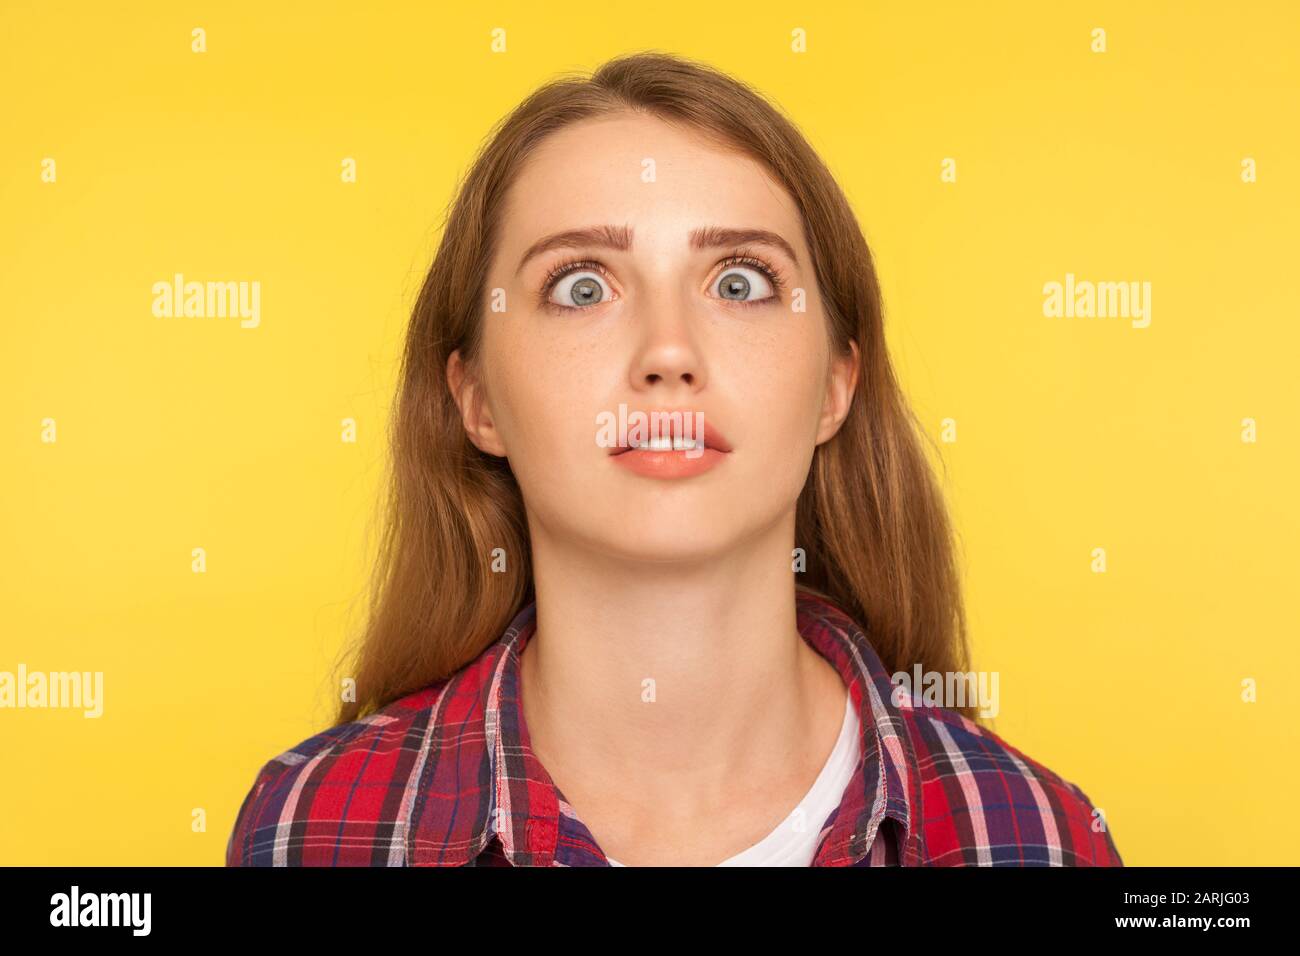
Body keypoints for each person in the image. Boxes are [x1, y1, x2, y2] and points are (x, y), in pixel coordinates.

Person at [226, 51, 1122, 867]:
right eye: (581, 287)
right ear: (477, 399)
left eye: (740, 282)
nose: (668, 351)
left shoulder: (1039, 835)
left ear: (835, 386)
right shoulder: (308, 827)